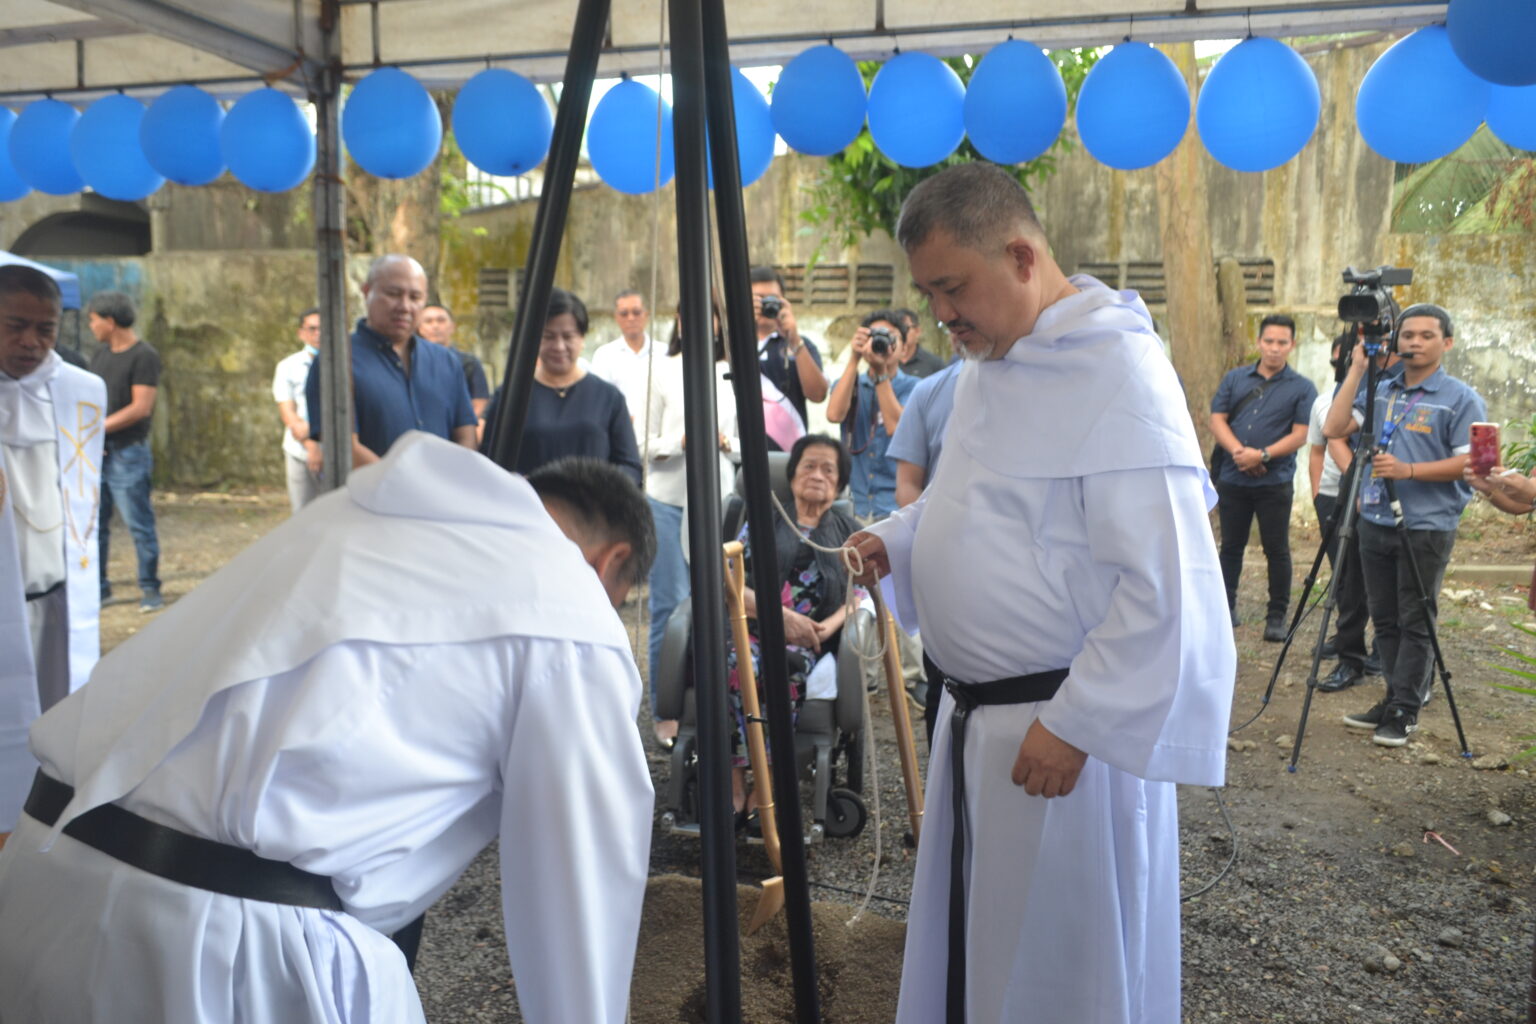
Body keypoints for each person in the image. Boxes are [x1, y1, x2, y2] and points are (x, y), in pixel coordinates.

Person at [0, 433, 656, 1024]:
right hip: (230, 958)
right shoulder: (572, 611)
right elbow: (581, 892)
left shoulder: (349, 518)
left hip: (44, 879)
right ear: (610, 563)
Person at [848, 163, 1234, 1024]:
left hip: (1055, 743)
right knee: (980, 961)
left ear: (1022, 255)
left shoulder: (1120, 375)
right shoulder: (998, 361)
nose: (940, 315)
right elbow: (976, 503)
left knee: (1053, 972)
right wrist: (898, 540)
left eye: (952, 288)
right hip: (977, 724)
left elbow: (1167, 581)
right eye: (929, 292)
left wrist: (1079, 721)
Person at [1324, 304, 1486, 747]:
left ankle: (1407, 709)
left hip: (1427, 524)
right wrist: (1357, 370)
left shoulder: (1459, 397)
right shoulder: (1382, 388)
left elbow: (1473, 462)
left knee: (1416, 618)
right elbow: (1333, 427)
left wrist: (1410, 472)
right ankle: (1394, 695)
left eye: (1425, 336)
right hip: (1375, 517)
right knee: (1386, 617)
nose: (1413, 342)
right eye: (1407, 335)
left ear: (1446, 343)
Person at [0, 266, 106, 844]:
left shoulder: (80, 392)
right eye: (15, 326)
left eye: (45, 328)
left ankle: (49, 833)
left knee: (55, 727)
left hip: (56, 599)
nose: (31, 342)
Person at [728, 434, 860, 815]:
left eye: (828, 469)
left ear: (839, 483)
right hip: (751, 628)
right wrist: (780, 618)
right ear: (792, 474)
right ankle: (735, 782)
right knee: (739, 665)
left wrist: (827, 627)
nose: (817, 475)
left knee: (783, 669)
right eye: (808, 466)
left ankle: (766, 782)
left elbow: (863, 595)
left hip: (810, 643)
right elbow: (731, 581)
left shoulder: (849, 531)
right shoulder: (763, 519)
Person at [642, 295, 739, 749]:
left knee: (721, 604)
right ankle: (666, 710)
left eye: (710, 316)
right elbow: (644, 442)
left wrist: (725, 442)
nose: (701, 324)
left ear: (720, 323)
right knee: (669, 605)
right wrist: (680, 441)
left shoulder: (733, 373)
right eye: (690, 315)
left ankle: (718, 703)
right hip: (668, 499)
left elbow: (746, 444)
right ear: (680, 321)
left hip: (717, 499)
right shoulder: (660, 369)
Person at [303, 255, 477, 473]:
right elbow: (345, 447)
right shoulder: (336, 361)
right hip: (370, 500)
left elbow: (465, 434)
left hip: (442, 500)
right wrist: (408, 487)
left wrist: (445, 485)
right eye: (393, 294)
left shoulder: (446, 361)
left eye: (415, 297)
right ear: (367, 291)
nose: (404, 306)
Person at [1209, 314, 1317, 641]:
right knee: (1230, 546)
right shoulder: (1235, 379)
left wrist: (1264, 455)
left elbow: (1301, 434)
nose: (1274, 348)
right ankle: (1224, 608)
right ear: (1258, 342)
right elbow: (1217, 420)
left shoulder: (1302, 387)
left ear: (1292, 345)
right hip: (1233, 477)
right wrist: (1241, 453)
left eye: (1281, 342)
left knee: (1277, 549)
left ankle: (1277, 616)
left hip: (1275, 481)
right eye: (1268, 341)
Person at [485, 288, 642, 485]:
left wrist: (599, 486)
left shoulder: (608, 397)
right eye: (548, 336)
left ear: (582, 338)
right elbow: (488, 461)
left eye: (568, 336)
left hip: (591, 510)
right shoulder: (510, 396)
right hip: (529, 510)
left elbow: (631, 467)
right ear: (534, 338)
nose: (559, 346)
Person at [1311, 333, 1383, 693]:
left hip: (1406, 493)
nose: (1370, 345)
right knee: (1350, 580)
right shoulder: (1357, 383)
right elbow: (1333, 432)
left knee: (1397, 587)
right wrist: (1357, 369)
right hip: (1357, 489)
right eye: (1362, 338)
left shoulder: (1408, 386)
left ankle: (1392, 660)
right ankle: (1349, 659)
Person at [87, 291, 164, 613]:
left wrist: (96, 428)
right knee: (96, 526)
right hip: (100, 454)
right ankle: (100, 589)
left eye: (93, 320)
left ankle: (149, 589)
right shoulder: (100, 355)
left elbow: (140, 408)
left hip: (128, 453)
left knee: (139, 524)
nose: (91, 327)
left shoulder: (144, 355)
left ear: (110, 320)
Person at [826, 309, 918, 521]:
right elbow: (834, 414)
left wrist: (880, 373)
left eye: (889, 335)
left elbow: (896, 427)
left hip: (893, 505)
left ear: (904, 350)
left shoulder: (916, 388)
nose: (881, 341)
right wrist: (853, 359)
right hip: (852, 502)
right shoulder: (851, 383)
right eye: (874, 335)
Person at [751, 266, 827, 428]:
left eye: (772, 299)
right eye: (759, 299)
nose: (766, 305)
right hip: (739, 446)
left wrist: (794, 340)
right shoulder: (729, 343)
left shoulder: (800, 345)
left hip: (788, 447)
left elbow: (818, 395)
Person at [272, 306, 321, 512]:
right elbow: (287, 410)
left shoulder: (346, 363)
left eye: (323, 328)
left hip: (334, 448)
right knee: (303, 513)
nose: (318, 334)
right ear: (301, 333)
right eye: (312, 329)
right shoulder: (288, 366)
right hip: (299, 448)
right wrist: (311, 445)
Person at [590, 289, 661, 426]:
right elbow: (598, 400)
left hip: (658, 436)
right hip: (618, 430)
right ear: (616, 317)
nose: (630, 318)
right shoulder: (604, 355)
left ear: (646, 314)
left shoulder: (664, 353)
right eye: (624, 313)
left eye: (636, 312)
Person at [420, 303, 490, 435]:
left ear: (452, 326)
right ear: (419, 328)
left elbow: (479, 403)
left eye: (441, 320)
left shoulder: (469, 363)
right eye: (428, 321)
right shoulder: (411, 362)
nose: (435, 326)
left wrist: (463, 428)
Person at [894, 307, 947, 379]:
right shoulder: (886, 362)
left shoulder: (934, 364)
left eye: (904, 328)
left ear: (917, 331)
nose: (901, 333)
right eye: (896, 329)